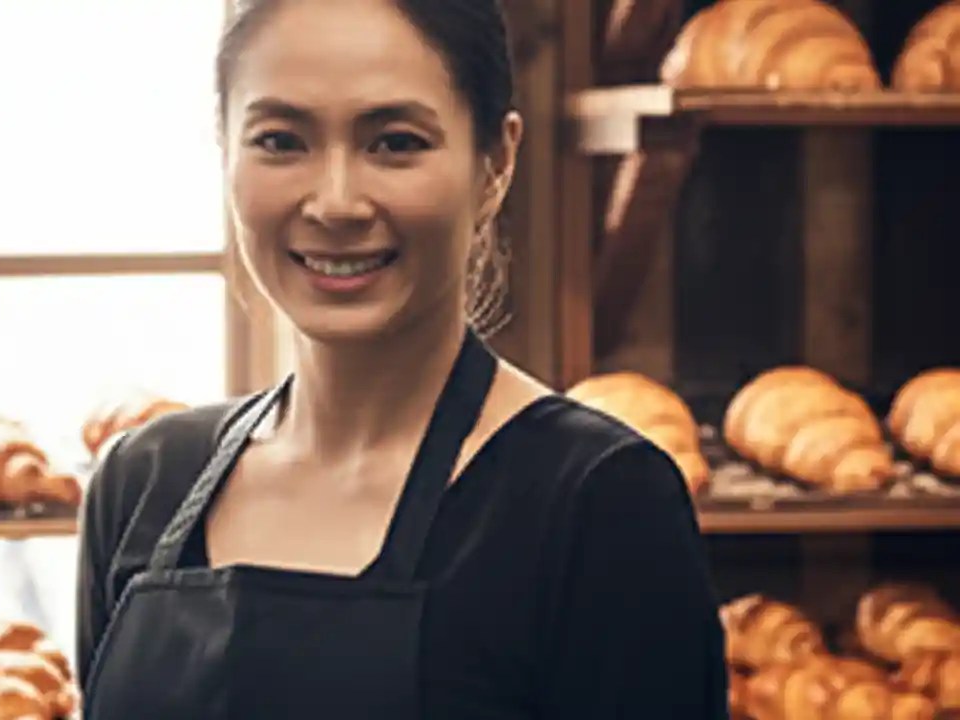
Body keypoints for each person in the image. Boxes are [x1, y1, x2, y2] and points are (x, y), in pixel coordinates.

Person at [75, 0, 729, 717]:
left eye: (394, 143)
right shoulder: (141, 484)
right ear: (225, 150)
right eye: (281, 140)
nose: (336, 202)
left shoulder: (599, 505)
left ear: (495, 163)